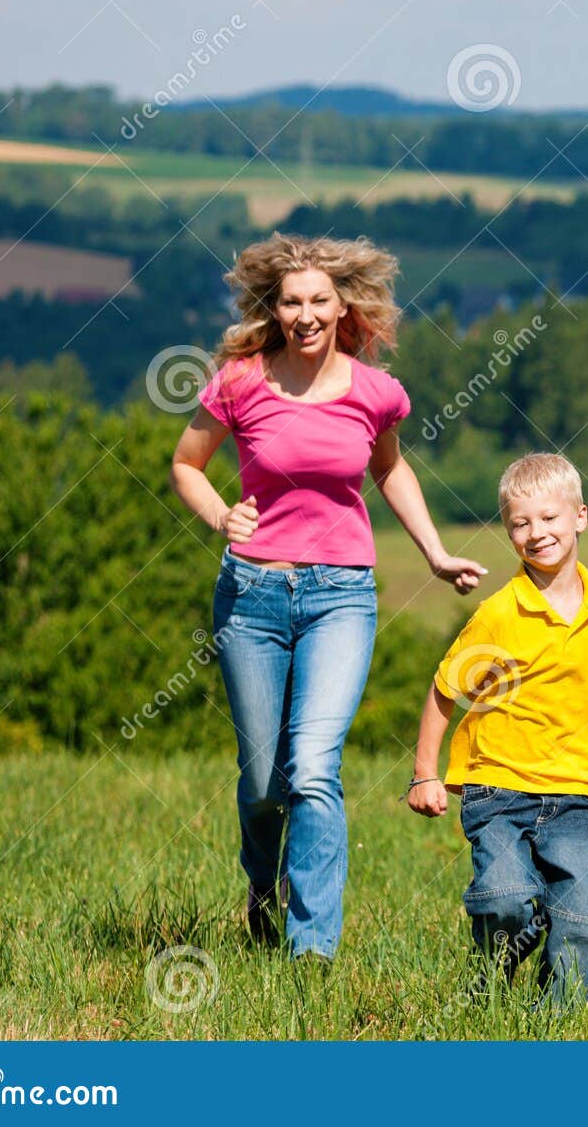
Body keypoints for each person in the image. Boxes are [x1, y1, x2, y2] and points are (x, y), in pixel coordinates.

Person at [169, 233, 486, 963]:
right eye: (291, 302)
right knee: (263, 781)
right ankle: (262, 886)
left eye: (319, 300)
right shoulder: (240, 381)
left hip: (341, 594)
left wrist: (434, 551)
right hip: (251, 594)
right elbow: (186, 464)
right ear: (273, 309)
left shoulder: (376, 392)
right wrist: (221, 514)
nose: (306, 315)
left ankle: (312, 952)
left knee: (313, 765)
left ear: (344, 305)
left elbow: (391, 471)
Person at [406, 453, 588, 1006]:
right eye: (521, 523)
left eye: (549, 518)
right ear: (509, 531)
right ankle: (490, 980)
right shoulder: (499, 613)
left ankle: (553, 1021)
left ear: (580, 517)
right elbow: (446, 691)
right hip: (498, 787)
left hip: (576, 796)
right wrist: (424, 773)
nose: (536, 533)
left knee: (582, 916)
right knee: (507, 899)